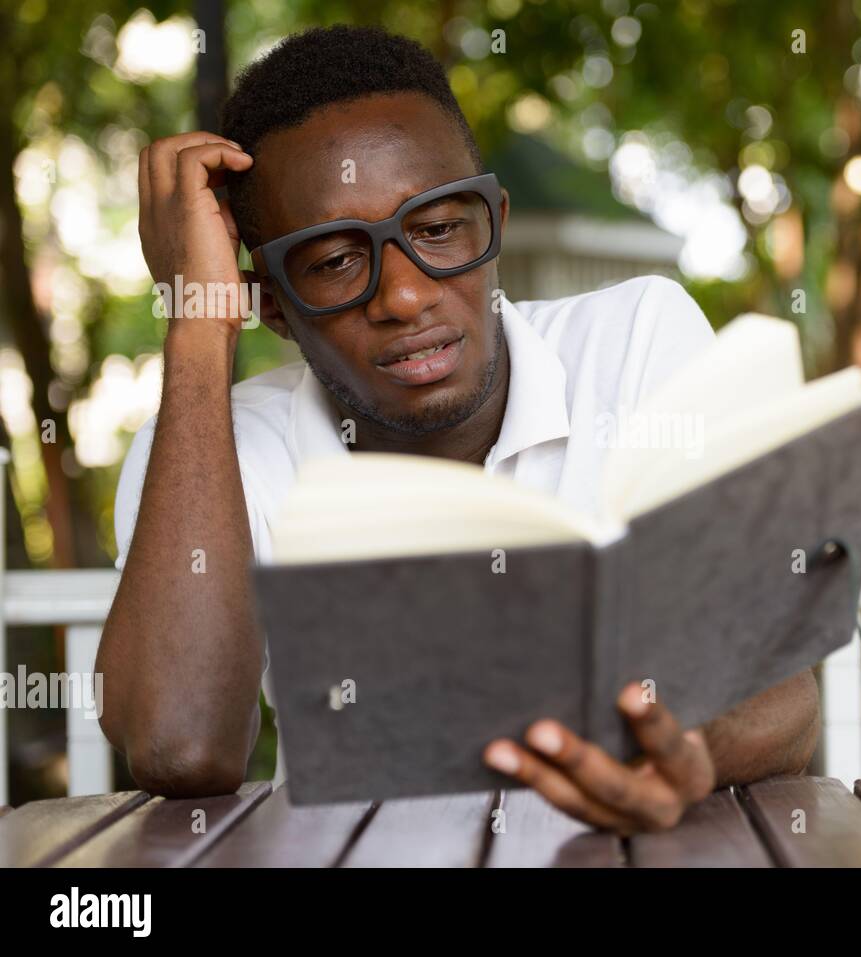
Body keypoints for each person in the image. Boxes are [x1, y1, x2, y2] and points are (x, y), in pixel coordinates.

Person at [99, 25, 819, 834]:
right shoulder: (214, 452)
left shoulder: (637, 341)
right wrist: (198, 329)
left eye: (439, 229)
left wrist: (668, 742)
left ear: (494, 223)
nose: (403, 295)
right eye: (335, 260)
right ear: (270, 304)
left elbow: (782, 690)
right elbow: (179, 743)